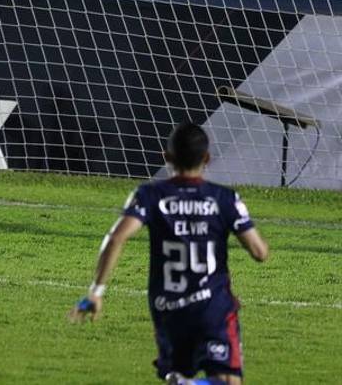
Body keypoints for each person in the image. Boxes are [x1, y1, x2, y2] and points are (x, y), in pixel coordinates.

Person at [68, 122, 270, 385]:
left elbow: (117, 237)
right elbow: (259, 252)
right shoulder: (224, 198)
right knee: (227, 380)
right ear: (207, 158)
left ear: (167, 157)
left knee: (179, 372)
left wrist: (96, 291)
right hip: (213, 307)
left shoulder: (150, 195)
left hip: (168, 310)